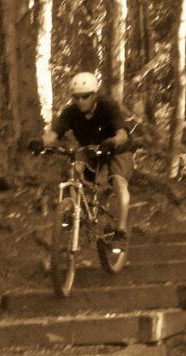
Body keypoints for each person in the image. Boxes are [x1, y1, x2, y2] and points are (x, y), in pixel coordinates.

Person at [29, 72, 134, 243]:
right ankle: (75, 211)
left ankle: (121, 230)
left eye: (85, 96)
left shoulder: (108, 107)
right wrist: (40, 142)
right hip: (90, 149)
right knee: (74, 169)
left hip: (118, 149)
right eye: (76, 97)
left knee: (118, 182)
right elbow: (53, 134)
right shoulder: (70, 112)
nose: (80, 101)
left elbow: (123, 134)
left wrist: (113, 141)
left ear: (94, 95)